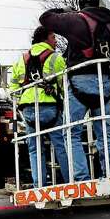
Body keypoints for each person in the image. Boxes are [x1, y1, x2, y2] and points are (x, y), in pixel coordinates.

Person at [39, 0, 110, 181]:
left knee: (72, 132)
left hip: (79, 83)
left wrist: (64, 10)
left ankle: (82, 179)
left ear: (79, 1)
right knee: (104, 132)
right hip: (103, 83)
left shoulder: (75, 20)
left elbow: (45, 18)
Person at [9, 27, 70, 187]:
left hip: (28, 109)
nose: (55, 41)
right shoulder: (56, 58)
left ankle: (39, 185)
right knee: (61, 146)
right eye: (53, 37)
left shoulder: (21, 60)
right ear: (45, 39)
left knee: (35, 149)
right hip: (50, 108)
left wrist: (20, 101)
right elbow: (64, 85)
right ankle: (69, 182)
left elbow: (13, 87)